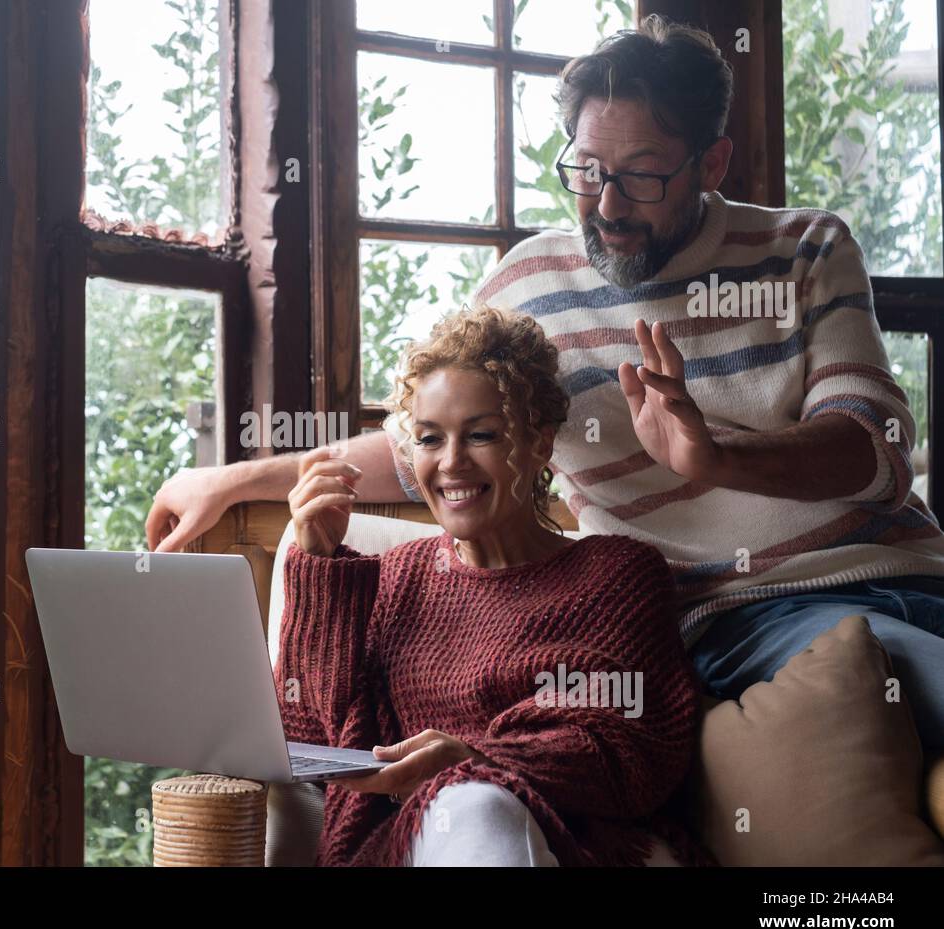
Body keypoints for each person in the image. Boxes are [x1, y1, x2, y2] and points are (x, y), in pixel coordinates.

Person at [147, 15, 944, 751]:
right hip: (731, 622)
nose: (605, 206)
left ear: (713, 163)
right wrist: (233, 477)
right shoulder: (529, 286)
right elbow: (426, 441)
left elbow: (876, 456)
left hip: (905, 578)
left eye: (642, 177)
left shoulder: (804, 249)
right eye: (586, 171)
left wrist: (720, 459)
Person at [275, 304, 706, 866]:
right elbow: (310, 726)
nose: (451, 463)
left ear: (539, 444)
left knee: (475, 802)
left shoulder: (616, 577)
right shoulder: (397, 577)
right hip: (417, 844)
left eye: (480, 435)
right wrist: (319, 567)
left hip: (570, 846)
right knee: (467, 802)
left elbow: (628, 750)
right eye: (429, 439)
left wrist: (473, 760)